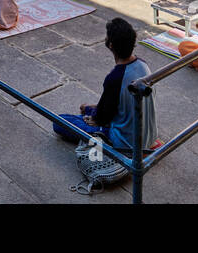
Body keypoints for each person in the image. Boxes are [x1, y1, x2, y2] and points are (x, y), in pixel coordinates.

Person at [53, 18, 158, 153]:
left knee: (59, 122)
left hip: (125, 141)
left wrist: (95, 117)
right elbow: (115, 105)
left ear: (111, 45)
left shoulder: (115, 77)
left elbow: (103, 117)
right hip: (148, 135)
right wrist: (92, 109)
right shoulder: (143, 64)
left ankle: (107, 141)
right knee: (86, 109)